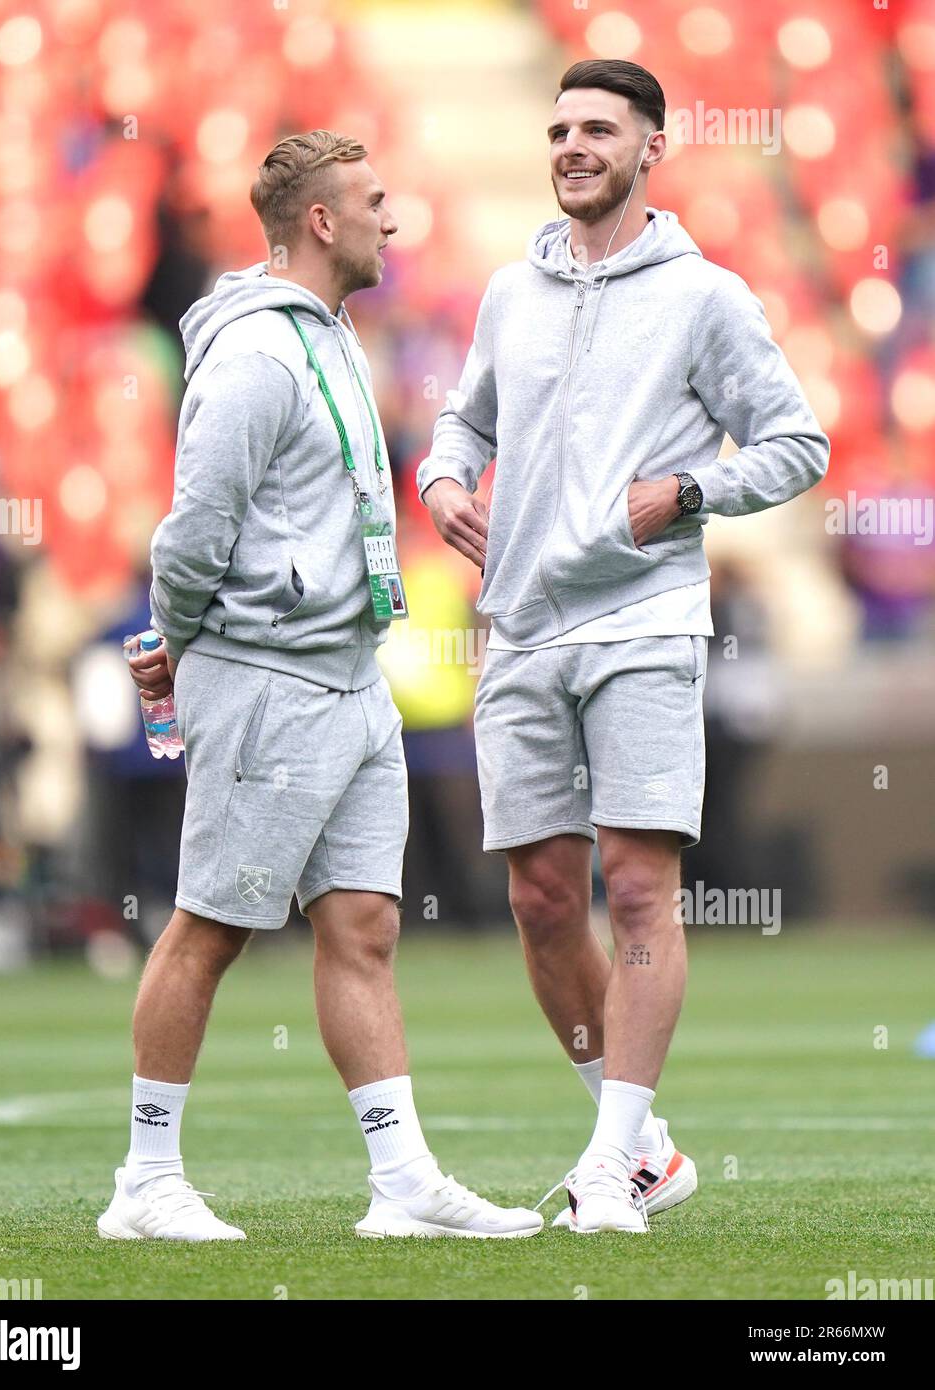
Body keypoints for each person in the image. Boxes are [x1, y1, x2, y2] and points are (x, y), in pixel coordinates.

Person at [99, 131, 542, 1242]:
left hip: (349, 673)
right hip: (266, 673)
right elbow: (191, 533)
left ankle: (401, 1184)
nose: (392, 221)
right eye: (373, 202)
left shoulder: (332, 334)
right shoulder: (257, 354)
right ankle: (145, 1180)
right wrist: (183, 652)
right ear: (321, 223)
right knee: (211, 923)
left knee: (363, 924)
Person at [419, 60, 830, 1234]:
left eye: (598, 128)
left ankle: (607, 1168)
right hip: (518, 629)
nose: (571, 145)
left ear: (651, 146)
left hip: (646, 621)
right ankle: (641, 1145)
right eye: (557, 129)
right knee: (545, 898)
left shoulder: (705, 294)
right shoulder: (510, 290)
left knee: (641, 887)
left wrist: (688, 491)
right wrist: (441, 475)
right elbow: (463, 415)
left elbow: (795, 443)